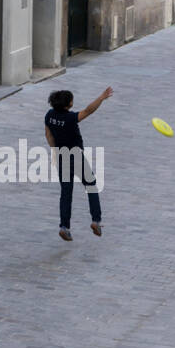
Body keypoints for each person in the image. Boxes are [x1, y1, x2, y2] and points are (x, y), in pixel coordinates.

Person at [44, 86, 113, 241]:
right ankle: (96, 220)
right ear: (68, 105)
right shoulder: (70, 118)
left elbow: (48, 135)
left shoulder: (49, 115)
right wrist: (101, 98)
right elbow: (88, 110)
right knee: (91, 185)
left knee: (66, 193)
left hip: (61, 156)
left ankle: (64, 227)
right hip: (76, 156)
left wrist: (55, 151)